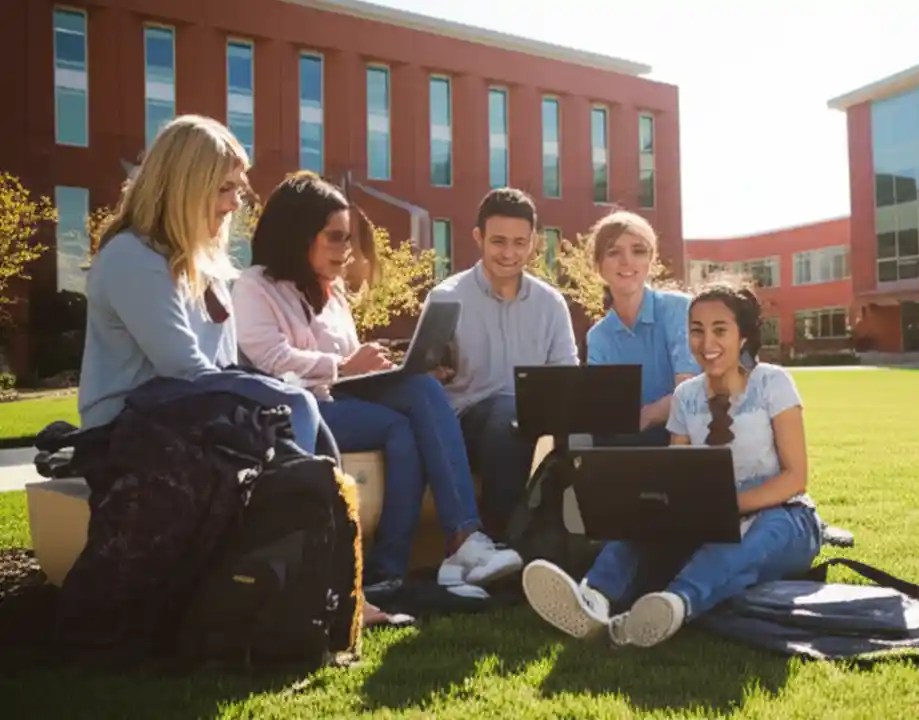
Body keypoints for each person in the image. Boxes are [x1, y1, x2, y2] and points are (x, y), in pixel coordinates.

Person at [230, 172, 523, 598]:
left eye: (349, 239)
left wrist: (393, 364)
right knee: (399, 425)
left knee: (420, 391)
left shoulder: (331, 295)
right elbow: (273, 360)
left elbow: (350, 364)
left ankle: (427, 554)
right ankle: (425, 553)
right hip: (293, 409)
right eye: (335, 237)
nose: (347, 251)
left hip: (337, 397)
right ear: (298, 234)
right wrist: (344, 365)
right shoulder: (254, 286)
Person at [521, 281, 822, 648]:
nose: (706, 342)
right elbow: (675, 474)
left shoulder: (773, 383)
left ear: (743, 336)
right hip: (711, 516)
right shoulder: (686, 396)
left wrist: (729, 507)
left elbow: (796, 478)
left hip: (784, 516)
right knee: (645, 519)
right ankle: (593, 598)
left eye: (720, 330)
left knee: (746, 542)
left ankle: (673, 604)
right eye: (697, 330)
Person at [79, 114, 332, 457]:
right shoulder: (132, 258)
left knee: (301, 413)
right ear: (184, 189)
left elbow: (220, 369)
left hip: (184, 416)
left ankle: (316, 501)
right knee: (293, 408)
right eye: (224, 189)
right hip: (122, 431)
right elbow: (185, 370)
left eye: (237, 190)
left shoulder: (202, 265)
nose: (236, 203)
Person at [427, 187, 579, 536]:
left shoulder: (551, 303)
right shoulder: (447, 298)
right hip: (468, 424)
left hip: (533, 421)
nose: (509, 253)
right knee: (505, 415)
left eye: (519, 242)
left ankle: (584, 554)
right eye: (498, 241)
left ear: (534, 242)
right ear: (478, 237)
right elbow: (423, 378)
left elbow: (566, 378)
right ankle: (499, 542)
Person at [584, 211, 699, 447]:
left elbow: (688, 393)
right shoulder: (598, 337)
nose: (627, 262)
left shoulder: (679, 309)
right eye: (614, 252)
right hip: (627, 439)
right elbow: (604, 408)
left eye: (638, 251)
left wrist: (646, 415)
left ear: (651, 260)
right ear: (598, 266)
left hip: (684, 433)